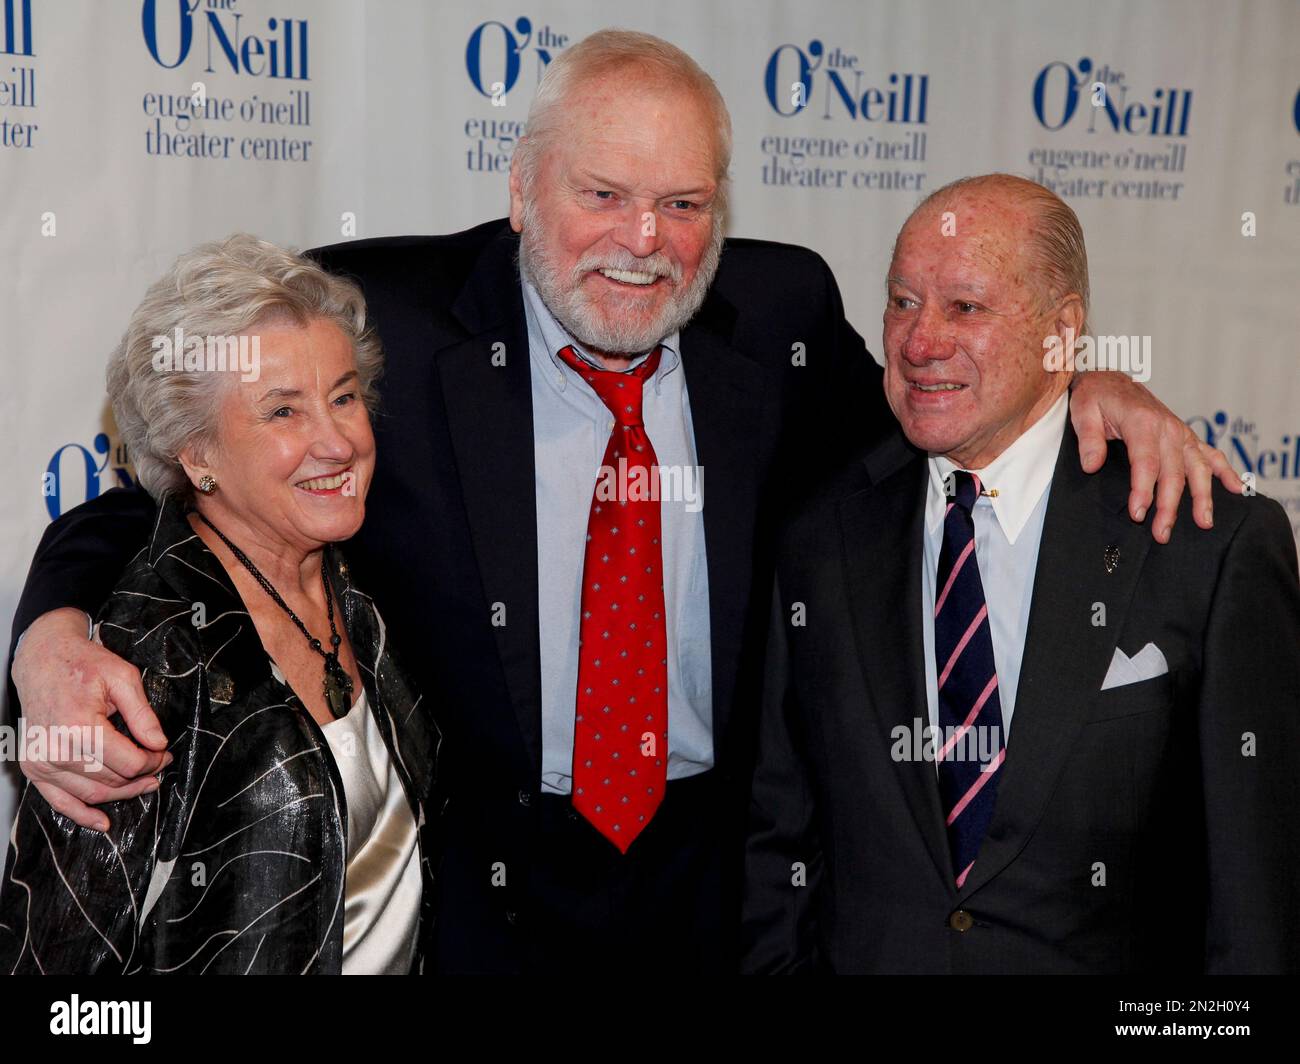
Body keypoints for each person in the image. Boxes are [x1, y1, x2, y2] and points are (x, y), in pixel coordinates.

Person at [9, 33, 1237, 974]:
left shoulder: (782, 317)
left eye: (685, 204)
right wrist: (51, 631)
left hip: (718, 893)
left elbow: (942, 419)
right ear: (523, 185)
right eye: (602, 194)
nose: (644, 243)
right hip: (472, 897)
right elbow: (172, 484)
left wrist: (1089, 382)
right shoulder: (385, 315)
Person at [741, 174, 1300, 974]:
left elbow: (1257, 903)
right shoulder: (821, 538)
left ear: (1062, 332)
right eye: (902, 301)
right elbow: (779, 844)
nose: (920, 340)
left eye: (965, 307)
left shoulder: (1206, 543)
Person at [0, 235, 441, 974]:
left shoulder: (366, 597)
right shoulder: (134, 672)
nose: (336, 441)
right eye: (283, 413)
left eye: (343, 396)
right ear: (195, 454)